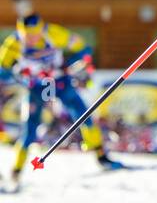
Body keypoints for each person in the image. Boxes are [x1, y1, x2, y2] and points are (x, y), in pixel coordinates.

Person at [0, 12, 119, 184]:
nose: (32, 39)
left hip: (59, 81)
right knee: (30, 128)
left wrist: (68, 64)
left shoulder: (54, 33)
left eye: (35, 34)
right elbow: (3, 67)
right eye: (28, 36)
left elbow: (84, 49)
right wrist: (18, 71)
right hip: (36, 87)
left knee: (83, 114)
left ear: (41, 29)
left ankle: (101, 156)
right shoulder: (13, 43)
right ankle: (16, 171)